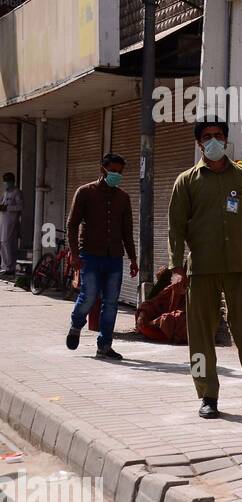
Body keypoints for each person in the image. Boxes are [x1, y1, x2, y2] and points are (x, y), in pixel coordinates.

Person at [168, 118, 242, 420]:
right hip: (202, 268)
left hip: (241, 267)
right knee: (200, 336)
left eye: (218, 136)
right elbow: (175, 229)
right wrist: (177, 268)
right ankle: (207, 395)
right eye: (207, 137)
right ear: (199, 143)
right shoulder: (186, 181)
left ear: (226, 140)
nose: (213, 141)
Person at [65, 154, 138, 360]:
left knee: (111, 303)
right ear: (102, 169)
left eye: (120, 172)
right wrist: (74, 254)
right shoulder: (85, 192)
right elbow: (72, 225)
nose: (116, 175)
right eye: (112, 170)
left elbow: (127, 231)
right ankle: (76, 325)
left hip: (114, 257)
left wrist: (133, 259)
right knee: (88, 297)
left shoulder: (123, 198)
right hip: (90, 255)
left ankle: (104, 345)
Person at [0, 172, 20, 276]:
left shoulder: (16, 193)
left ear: (12, 181)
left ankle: (10, 267)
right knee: (2, 243)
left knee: (7, 243)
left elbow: (20, 207)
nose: (6, 183)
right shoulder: (5, 193)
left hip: (11, 222)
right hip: (3, 221)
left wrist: (7, 208)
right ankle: (4, 266)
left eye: (8, 181)